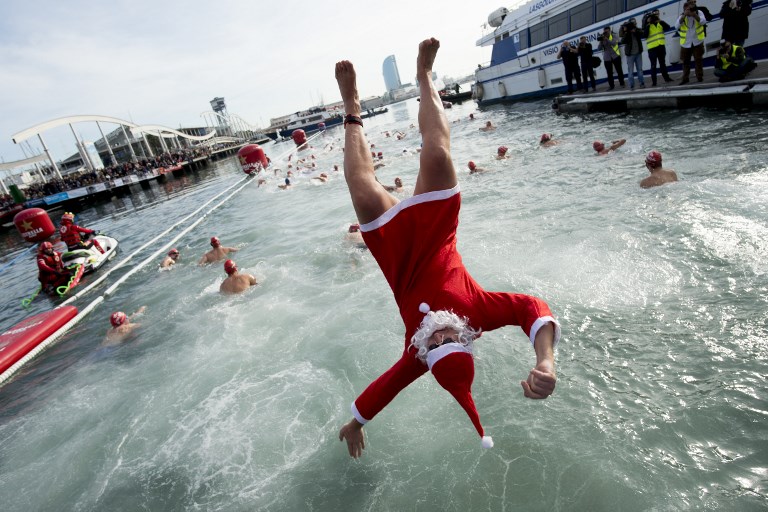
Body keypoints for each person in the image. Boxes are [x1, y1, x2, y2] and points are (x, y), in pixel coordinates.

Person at [334, 38, 560, 459]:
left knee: (361, 186)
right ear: (466, 338)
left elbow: (384, 388)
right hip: (437, 233)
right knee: (437, 153)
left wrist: (354, 422)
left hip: (395, 254)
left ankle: (352, 108)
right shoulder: (478, 314)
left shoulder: (415, 354)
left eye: (434, 345)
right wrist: (545, 361)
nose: (438, 336)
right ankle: (424, 76)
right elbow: (533, 308)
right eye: (448, 339)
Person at [676, 2, 707, 84]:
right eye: (687, 9)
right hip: (686, 43)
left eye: (690, 9)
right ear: (684, 10)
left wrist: (694, 15)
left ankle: (699, 77)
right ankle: (685, 78)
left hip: (697, 41)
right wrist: (684, 15)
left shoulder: (698, 12)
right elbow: (676, 26)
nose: (689, 11)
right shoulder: (682, 16)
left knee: (698, 60)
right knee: (685, 62)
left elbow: (703, 22)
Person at [642, 9, 675, 86]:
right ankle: (654, 82)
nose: (656, 16)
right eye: (654, 15)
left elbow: (668, 27)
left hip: (661, 46)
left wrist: (660, 21)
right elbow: (644, 35)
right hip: (652, 48)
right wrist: (648, 24)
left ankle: (667, 78)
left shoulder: (660, 23)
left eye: (657, 14)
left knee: (662, 64)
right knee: (653, 66)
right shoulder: (648, 25)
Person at [620, 18, 646, 89]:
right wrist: (626, 32)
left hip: (638, 53)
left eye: (634, 23)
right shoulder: (626, 33)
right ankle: (631, 85)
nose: (634, 24)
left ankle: (642, 83)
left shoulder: (637, 30)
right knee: (630, 71)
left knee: (640, 69)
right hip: (630, 55)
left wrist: (635, 30)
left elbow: (642, 33)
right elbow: (622, 41)